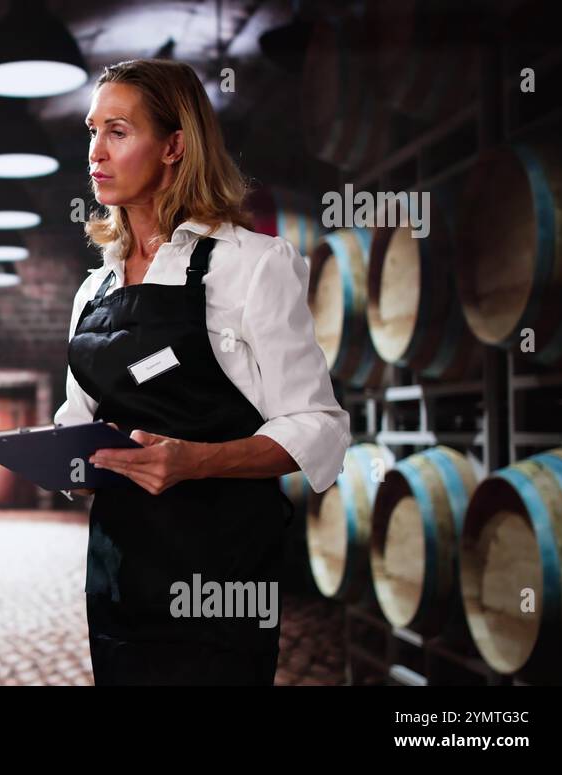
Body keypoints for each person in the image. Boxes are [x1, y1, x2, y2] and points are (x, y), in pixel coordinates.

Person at [55, 59, 350, 685]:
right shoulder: (92, 291)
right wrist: (68, 465)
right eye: (91, 131)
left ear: (174, 146)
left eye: (117, 131)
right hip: (116, 571)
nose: (95, 152)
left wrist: (195, 461)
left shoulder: (254, 266)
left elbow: (319, 427)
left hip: (220, 574)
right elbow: (77, 419)